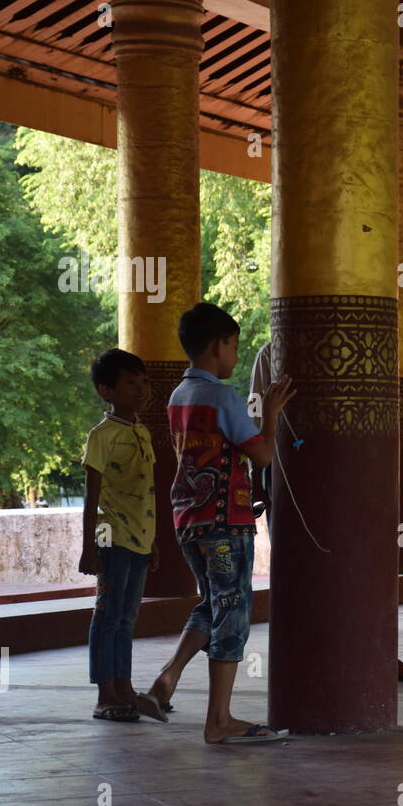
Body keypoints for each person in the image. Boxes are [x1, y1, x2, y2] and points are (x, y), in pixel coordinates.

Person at [135, 303, 295, 743]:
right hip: (226, 522)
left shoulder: (178, 396)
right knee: (234, 616)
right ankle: (219, 721)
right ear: (216, 346)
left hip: (189, 519)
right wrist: (272, 413)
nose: (236, 356)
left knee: (212, 604)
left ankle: (165, 681)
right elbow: (261, 454)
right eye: (233, 346)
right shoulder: (223, 397)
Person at [249, 340, 403, 683]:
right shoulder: (271, 353)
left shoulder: (364, 345)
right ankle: (307, 658)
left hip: (353, 479)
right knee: (298, 569)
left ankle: (377, 654)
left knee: (364, 570)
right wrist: (257, 480)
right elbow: (256, 418)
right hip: (291, 479)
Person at [79, 348, 157, 722]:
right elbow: (91, 494)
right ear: (105, 391)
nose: (141, 389)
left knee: (127, 618)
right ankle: (104, 692)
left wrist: (153, 539)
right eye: (131, 383)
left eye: (143, 382)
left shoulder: (141, 431)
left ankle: (124, 685)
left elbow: (147, 491)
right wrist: (88, 547)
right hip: (112, 540)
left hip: (140, 539)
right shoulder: (102, 435)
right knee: (107, 616)